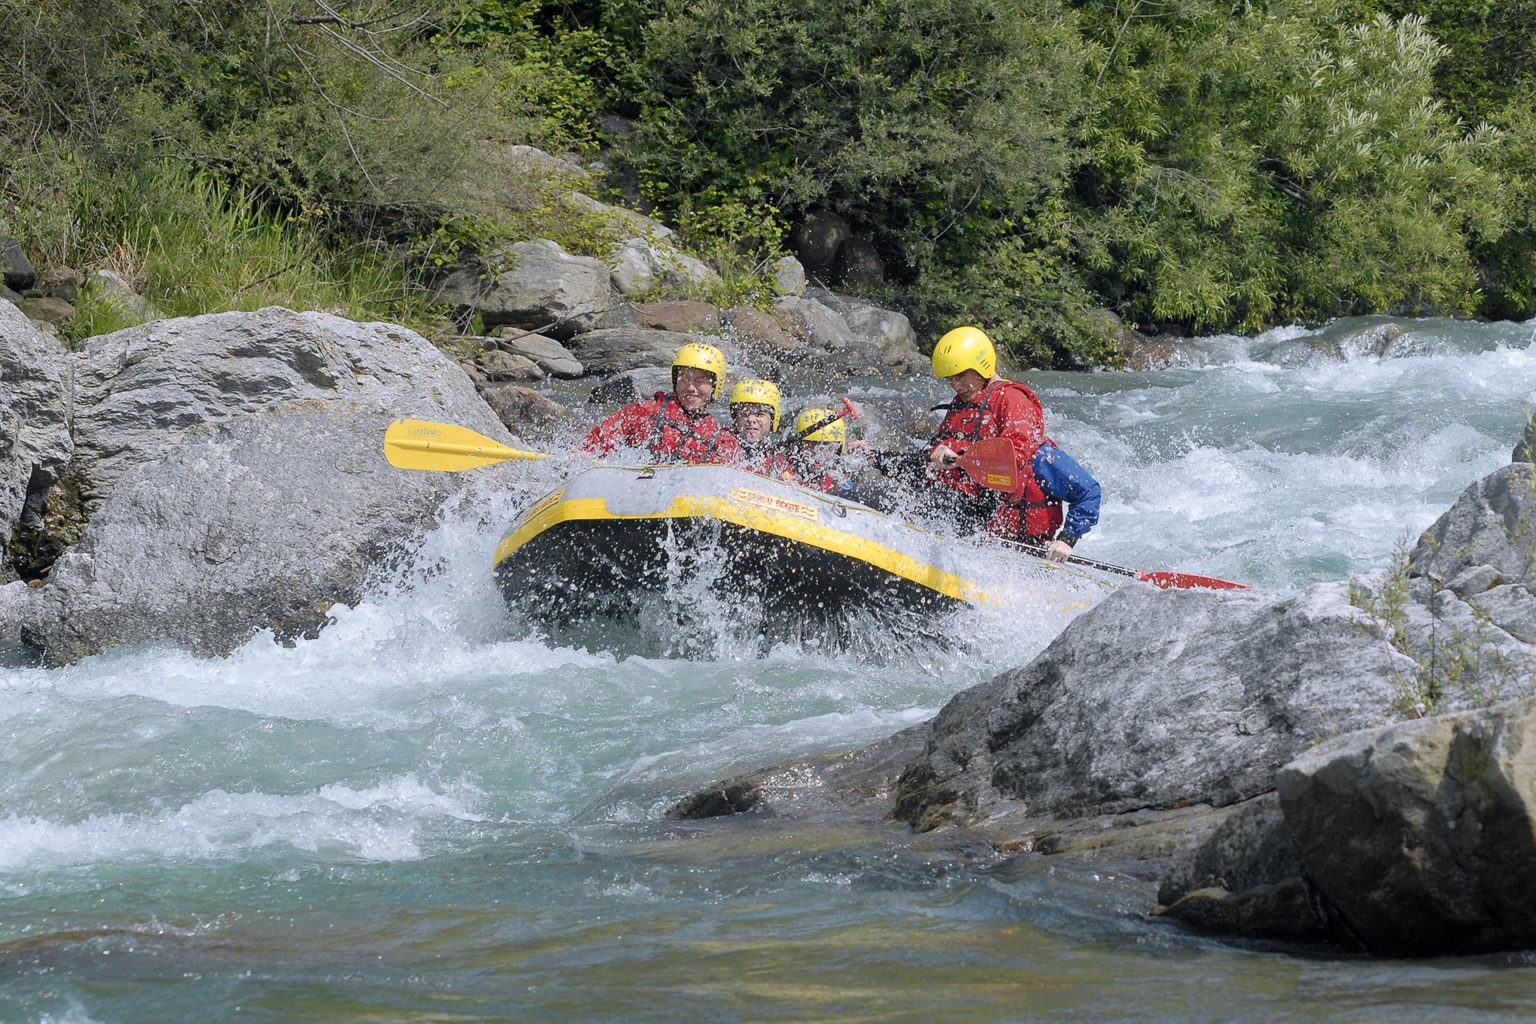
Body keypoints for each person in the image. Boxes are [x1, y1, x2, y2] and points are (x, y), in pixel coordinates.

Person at [924, 325, 1097, 561]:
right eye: (950, 379)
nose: (956, 385)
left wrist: (1067, 540)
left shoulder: (1039, 459)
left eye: (961, 376)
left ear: (982, 366)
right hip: (977, 546)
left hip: (1028, 555)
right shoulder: (963, 443)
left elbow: (1089, 491)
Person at [581, 342, 742, 464]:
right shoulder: (644, 412)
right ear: (675, 381)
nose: (691, 387)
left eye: (700, 381)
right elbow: (593, 446)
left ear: (715, 386)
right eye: (684, 379)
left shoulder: (719, 438)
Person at [727, 378, 797, 480]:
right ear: (735, 418)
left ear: (773, 420)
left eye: (760, 414)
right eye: (744, 414)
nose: (751, 419)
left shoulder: (777, 460)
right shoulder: (720, 442)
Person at [789, 408, 859, 498]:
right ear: (799, 447)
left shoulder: (842, 482)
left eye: (828, 448)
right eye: (812, 445)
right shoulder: (783, 468)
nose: (818, 454)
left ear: (838, 451)